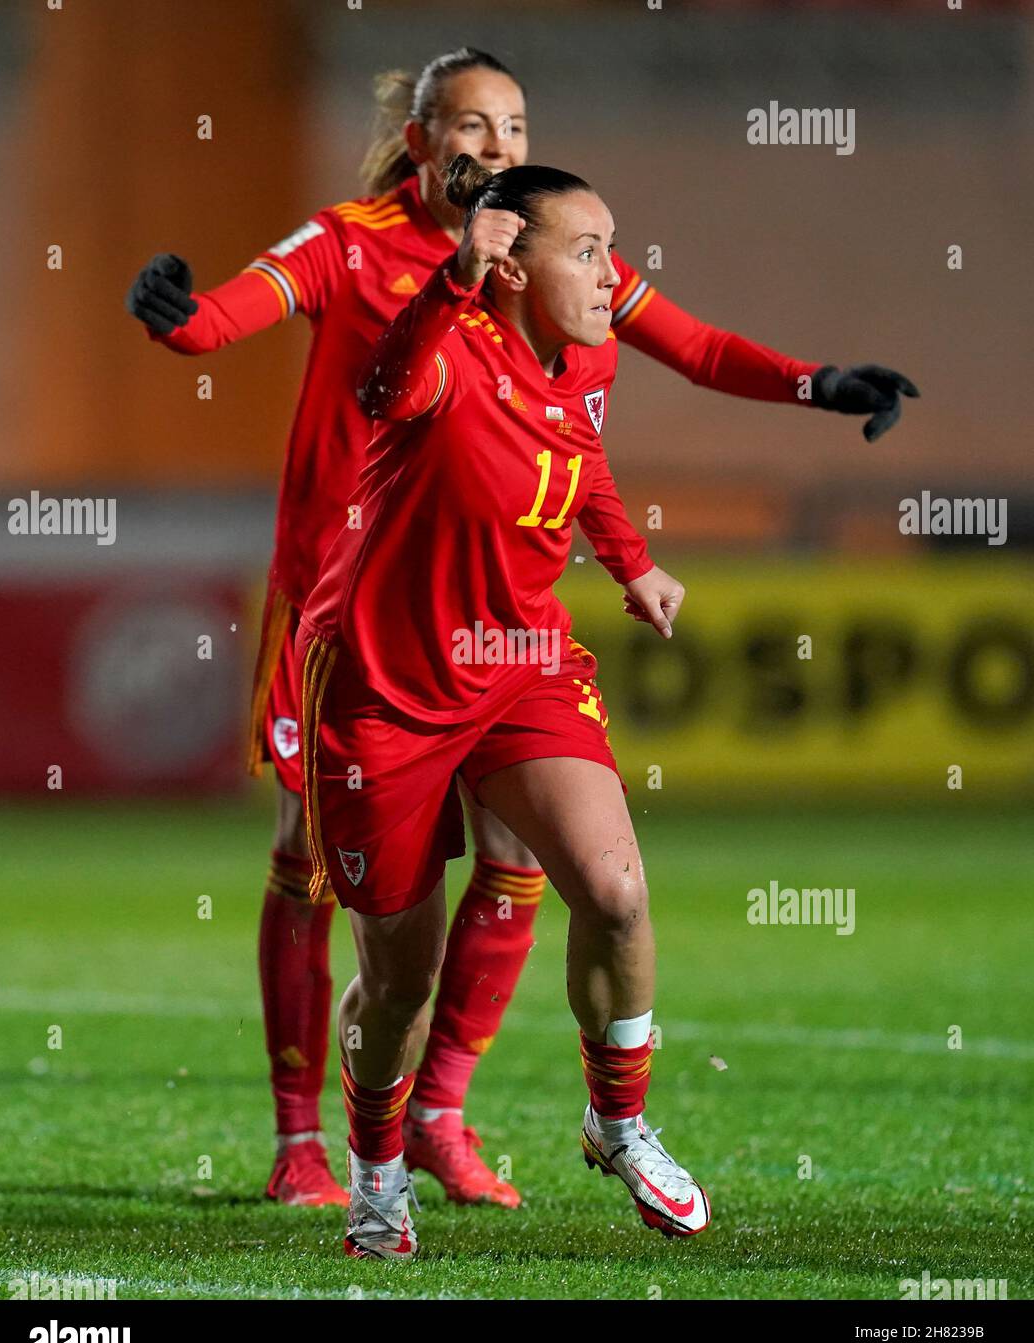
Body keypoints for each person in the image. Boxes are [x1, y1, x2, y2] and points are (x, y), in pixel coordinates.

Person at [125, 47, 918, 1212]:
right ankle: (306, 1140)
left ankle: (443, 1115)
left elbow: (685, 353)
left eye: (514, 124)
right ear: (418, 141)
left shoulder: (549, 249)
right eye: (472, 126)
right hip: (345, 616)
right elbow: (223, 326)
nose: (497, 146)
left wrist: (810, 383)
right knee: (317, 879)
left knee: (525, 866)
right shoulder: (351, 243)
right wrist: (174, 313)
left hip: (495, 633)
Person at [298, 153, 713, 1259]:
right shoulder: (446, 350)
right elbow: (381, 388)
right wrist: (445, 279)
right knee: (398, 979)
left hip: (520, 663)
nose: (607, 271)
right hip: (384, 690)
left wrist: (631, 564)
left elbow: (584, 463)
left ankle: (615, 1122)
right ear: (510, 261)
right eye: (584, 250)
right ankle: (378, 1167)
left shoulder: (579, 359)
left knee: (616, 891)